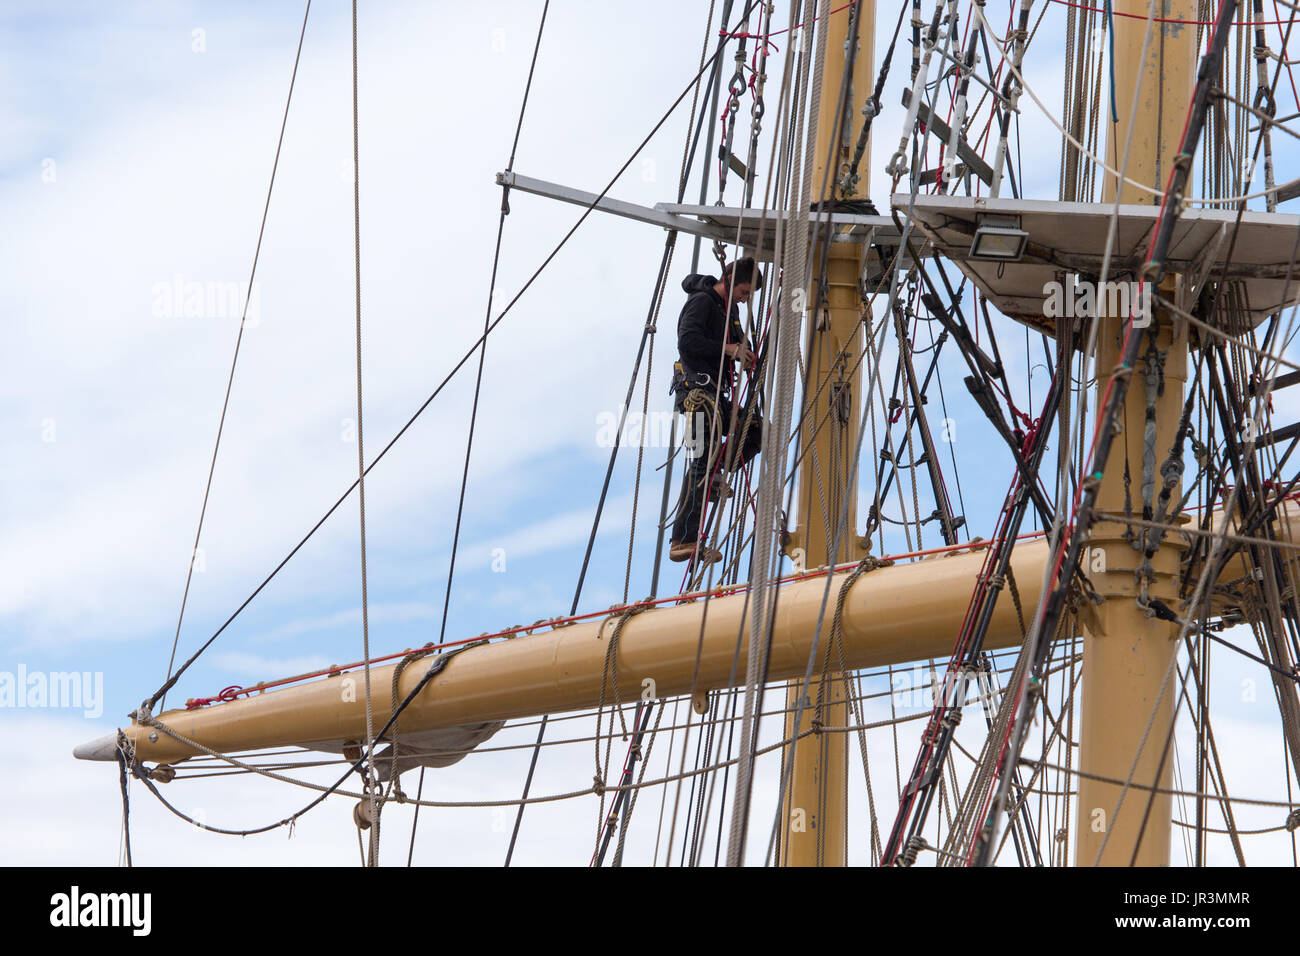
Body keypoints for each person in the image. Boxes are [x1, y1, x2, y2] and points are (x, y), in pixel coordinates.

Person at [668, 257, 764, 565]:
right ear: (730, 278)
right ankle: (682, 539)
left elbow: (735, 341)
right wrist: (727, 350)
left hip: (716, 395)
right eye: (745, 292)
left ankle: (716, 475)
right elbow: (688, 340)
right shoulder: (702, 301)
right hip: (696, 395)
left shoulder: (729, 310)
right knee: (700, 462)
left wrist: (745, 352)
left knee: (758, 430)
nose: (745, 299)